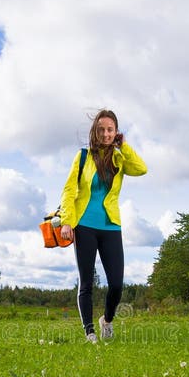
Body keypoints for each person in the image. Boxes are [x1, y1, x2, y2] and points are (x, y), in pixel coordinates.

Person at [59, 109, 147, 343]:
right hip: (84, 224)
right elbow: (69, 190)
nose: (105, 134)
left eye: (110, 130)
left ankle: (106, 321)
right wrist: (67, 221)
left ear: (116, 132)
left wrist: (124, 146)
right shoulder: (83, 156)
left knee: (116, 284)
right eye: (101, 129)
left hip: (111, 226)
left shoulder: (119, 158)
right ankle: (89, 332)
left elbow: (141, 169)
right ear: (94, 131)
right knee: (86, 282)